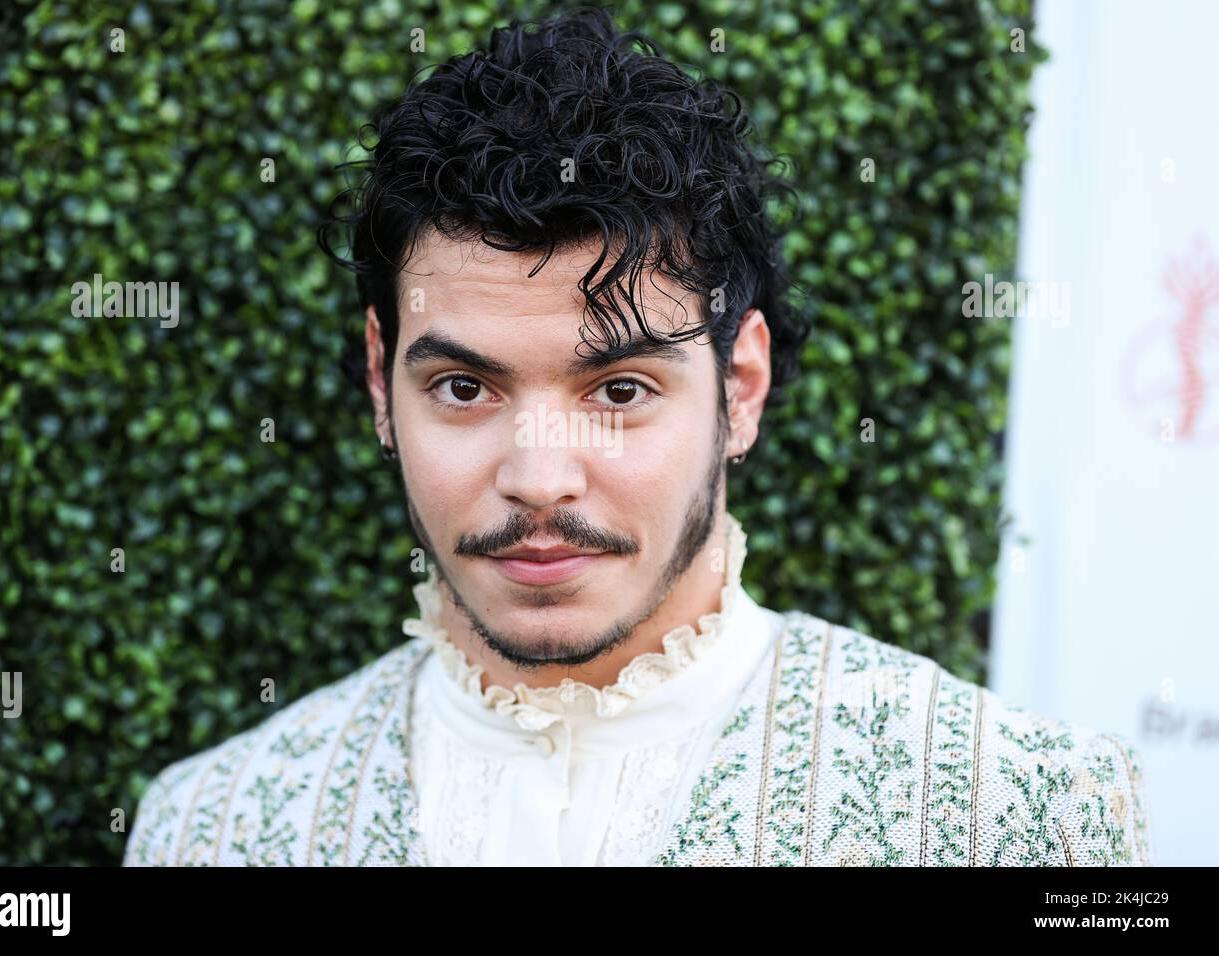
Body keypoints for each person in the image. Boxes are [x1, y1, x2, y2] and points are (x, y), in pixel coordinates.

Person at [123, 7, 1151, 867]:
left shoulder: (1018, 813)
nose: (536, 476)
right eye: (463, 385)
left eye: (617, 386)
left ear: (738, 388)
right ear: (380, 387)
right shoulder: (208, 828)